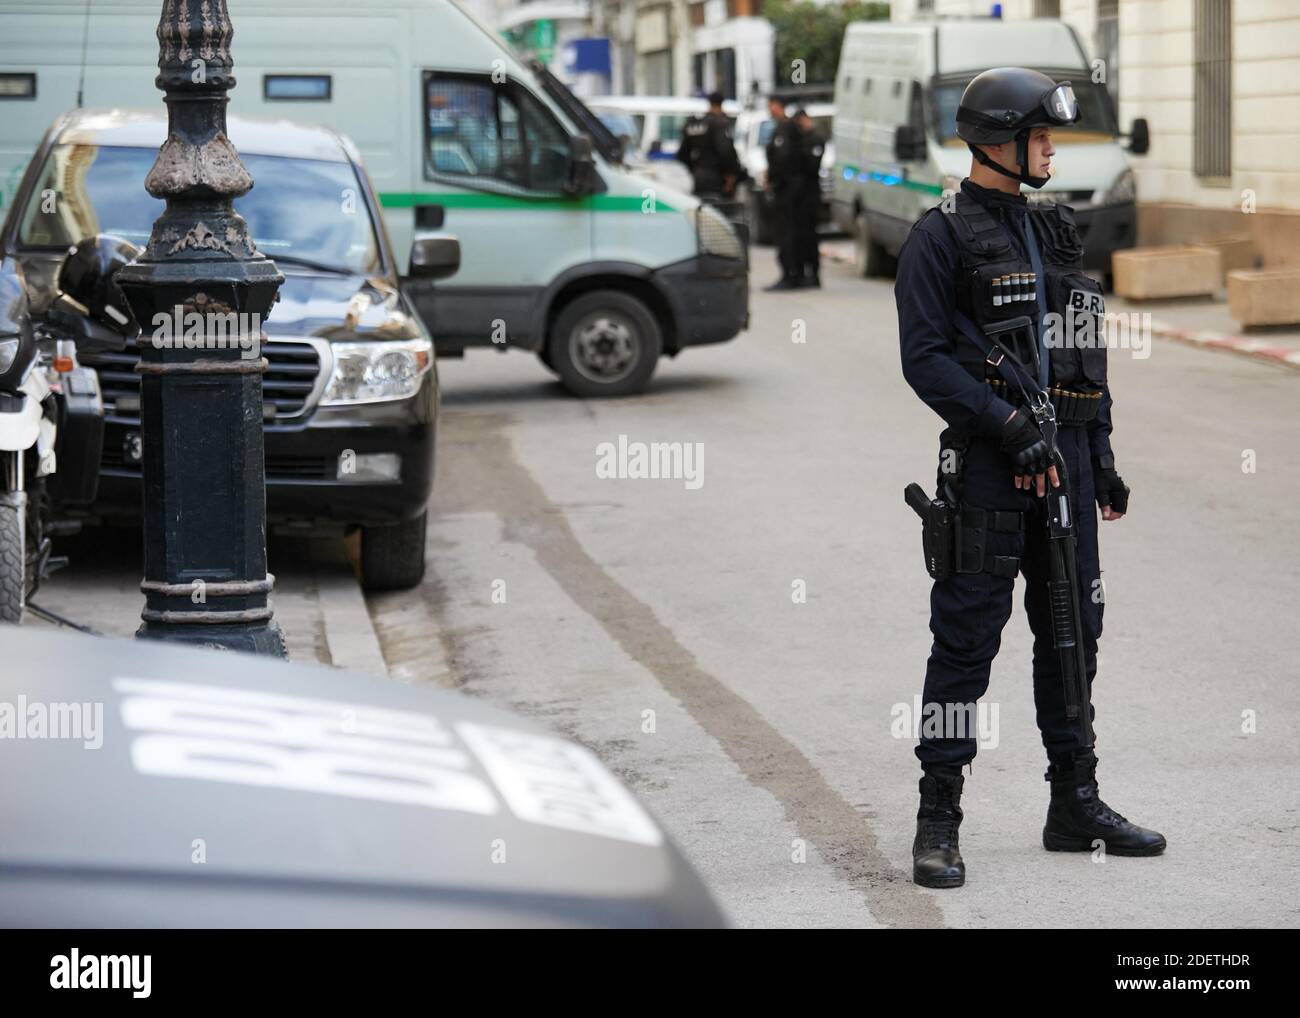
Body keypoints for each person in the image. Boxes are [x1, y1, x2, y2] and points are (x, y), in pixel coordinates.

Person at [894, 66, 1165, 889]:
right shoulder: (939, 235)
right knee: (964, 645)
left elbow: (1085, 343)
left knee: (1074, 637)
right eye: (1041, 135)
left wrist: (1103, 454)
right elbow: (926, 359)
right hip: (989, 470)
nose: (1052, 149)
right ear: (999, 143)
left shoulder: (1056, 231)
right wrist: (1008, 425)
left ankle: (1073, 801)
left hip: (1070, 466)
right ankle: (937, 816)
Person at [762, 96, 804, 291]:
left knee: (786, 232)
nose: (769, 110)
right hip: (786, 189)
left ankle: (791, 274)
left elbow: (783, 159)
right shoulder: (783, 128)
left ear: (779, 106)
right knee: (786, 231)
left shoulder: (786, 128)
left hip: (787, 190)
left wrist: (773, 179)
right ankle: (792, 273)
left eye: (771, 106)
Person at [676, 91, 742, 205]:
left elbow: (682, 154)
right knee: (720, 213)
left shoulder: (693, 124)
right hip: (717, 178)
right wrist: (731, 175)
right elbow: (725, 151)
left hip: (697, 177)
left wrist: (694, 168)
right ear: (721, 104)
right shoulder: (719, 123)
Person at [791, 108, 825, 287]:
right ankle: (802, 271)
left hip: (811, 196)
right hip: (799, 196)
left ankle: (814, 273)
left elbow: (813, 166)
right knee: (800, 237)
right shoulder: (799, 140)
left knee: (810, 237)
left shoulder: (815, 139)